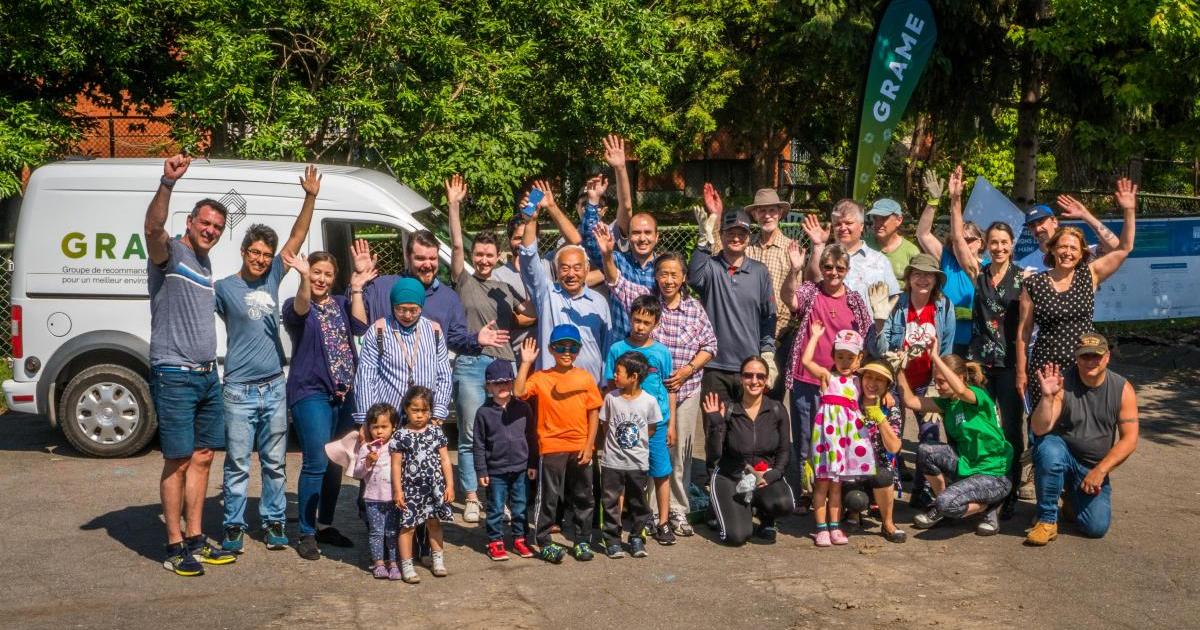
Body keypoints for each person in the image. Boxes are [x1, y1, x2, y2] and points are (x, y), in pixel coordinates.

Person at [144, 153, 238, 575]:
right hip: (175, 374)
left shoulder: (204, 261)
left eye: (217, 227)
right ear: (190, 222)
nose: (211, 230)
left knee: (203, 457)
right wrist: (167, 183)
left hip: (206, 375)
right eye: (205, 223)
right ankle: (173, 546)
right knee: (178, 460)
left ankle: (197, 540)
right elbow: (152, 229)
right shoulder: (171, 255)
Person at [216, 165, 318, 554]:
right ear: (244, 252)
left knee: (275, 463)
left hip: (274, 386)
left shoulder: (274, 276)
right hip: (238, 391)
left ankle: (274, 522)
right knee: (238, 463)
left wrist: (310, 196)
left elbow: (297, 237)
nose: (260, 259)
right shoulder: (224, 288)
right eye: (255, 252)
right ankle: (233, 525)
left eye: (266, 255)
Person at [598, 230, 717, 537]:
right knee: (643, 452)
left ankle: (677, 510)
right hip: (642, 397)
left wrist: (687, 370)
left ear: (684, 277)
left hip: (683, 391)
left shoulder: (694, 308)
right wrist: (608, 254)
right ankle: (649, 512)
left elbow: (710, 345)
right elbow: (616, 282)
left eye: (674, 274)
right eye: (663, 273)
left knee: (676, 454)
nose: (668, 280)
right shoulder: (647, 302)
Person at [1016, 179, 1138, 410]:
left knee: (1085, 421)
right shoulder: (1030, 276)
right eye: (1063, 247)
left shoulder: (1088, 273)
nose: (1067, 252)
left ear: (1082, 253)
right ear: (1053, 250)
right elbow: (1024, 330)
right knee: (1044, 423)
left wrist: (1128, 210)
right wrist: (1021, 372)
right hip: (1045, 363)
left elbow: (1123, 247)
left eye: (1073, 248)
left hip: (1084, 362)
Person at [282, 251, 371, 560]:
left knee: (337, 459)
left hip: (344, 395)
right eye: (316, 272)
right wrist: (304, 278)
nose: (321, 279)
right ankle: (306, 533)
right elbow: (301, 308)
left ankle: (324, 525)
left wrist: (356, 289)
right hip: (311, 393)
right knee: (316, 462)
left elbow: (360, 327)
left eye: (327, 274)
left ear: (334, 278)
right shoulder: (296, 306)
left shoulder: (341, 304)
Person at [782, 241, 884, 508]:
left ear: (847, 270)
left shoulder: (855, 300)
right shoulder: (811, 291)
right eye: (828, 267)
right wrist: (794, 270)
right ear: (821, 267)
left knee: (840, 439)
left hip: (843, 383)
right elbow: (789, 299)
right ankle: (806, 493)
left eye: (839, 268)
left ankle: (837, 495)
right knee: (806, 439)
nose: (833, 273)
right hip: (808, 378)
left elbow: (868, 339)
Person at [446, 173, 524, 524]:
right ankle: (472, 497)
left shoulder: (505, 287)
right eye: (479, 253)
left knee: (502, 435)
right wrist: (454, 206)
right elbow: (456, 246)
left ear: (497, 256)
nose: (483, 259)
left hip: (503, 364)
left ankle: (499, 498)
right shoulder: (463, 280)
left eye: (489, 254)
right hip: (470, 363)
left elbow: (531, 312)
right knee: (469, 434)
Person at [1026, 333, 1139, 545]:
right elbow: (1040, 429)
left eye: (1096, 356)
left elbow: (1130, 440)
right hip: (1063, 455)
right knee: (1048, 448)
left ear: (1107, 357)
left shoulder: (1123, 389)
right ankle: (1046, 519)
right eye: (1084, 356)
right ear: (1076, 358)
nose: (1090, 361)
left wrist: (1100, 471)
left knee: (1096, 527)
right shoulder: (1064, 382)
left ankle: (1071, 497)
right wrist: (1047, 397)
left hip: (1092, 466)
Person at [900, 352, 1013, 536]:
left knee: (946, 504)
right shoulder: (948, 403)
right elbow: (910, 401)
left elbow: (961, 391)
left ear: (959, 378)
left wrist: (935, 357)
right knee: (925, 451)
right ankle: (943, 507)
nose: (937, 386)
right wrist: (899, 370)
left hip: (994, 475)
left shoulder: (976, 395)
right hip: (967, 466)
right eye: (935, 381)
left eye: (942, 381)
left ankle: (989, 505)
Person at [515, 328, 603, 564]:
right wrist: (526, 363)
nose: (567, 352)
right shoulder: (541, 377)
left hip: (580, 447)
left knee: (584, 496)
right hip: (552, 446)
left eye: (572, 347)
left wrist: (589, 445)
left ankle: (582, 540)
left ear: (579, 350)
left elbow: (594, 412)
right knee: (549, 497)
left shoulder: (585, 378)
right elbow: (519, 391)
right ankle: (544, 542)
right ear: (551, 349)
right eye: (561, 347)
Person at [874, 252, 956, 505]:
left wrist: (937, 386)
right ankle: (887, 491)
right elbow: (880, 350)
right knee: (890, 436)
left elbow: (946, 351)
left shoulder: (944, 306)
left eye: (928, 275)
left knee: (929, 436)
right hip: (895, 381)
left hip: (926, 383)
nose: (923, 279)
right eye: (917, 274)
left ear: (936, 280)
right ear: (909, 278)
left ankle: (922, 490)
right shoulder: (896, 304)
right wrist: (879, 323)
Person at [706, 186, 797, 401]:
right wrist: (717, 217)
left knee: (771, 404)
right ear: (754, 214)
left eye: (772, 210)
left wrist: (773, 342)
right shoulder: (745, 244)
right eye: (762, 211)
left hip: (777, 339)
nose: (767, 216)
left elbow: (796, 297)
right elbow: (718, 254)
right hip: (745, 340)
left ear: (780, 213)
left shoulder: (791, 249)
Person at [603, 294, 677, 546]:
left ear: (656, 323)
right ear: (630, 318)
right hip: (624, 427)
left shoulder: (662, 352)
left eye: (646, 322)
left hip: (656, 425)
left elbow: (670, 389)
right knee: (622, 475)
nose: (640, 327)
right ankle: (618, 525)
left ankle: (663, 522)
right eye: (636, 320)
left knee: (661, 472)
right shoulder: (617, 349)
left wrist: (671, 424)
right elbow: (610, 387)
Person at [964, 216, 1025, 519]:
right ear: (986, 245)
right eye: (994, 242)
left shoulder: (1023, 278)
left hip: (1011, 362)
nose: (999, 247)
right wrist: (955, 200)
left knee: (1011, 428)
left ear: (1012, 245)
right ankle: (981, 486)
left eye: (1004, 242)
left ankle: (1010, 491)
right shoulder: (979, 274)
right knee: (982, 425)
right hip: (980, 363)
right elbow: (959, 244)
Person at [519, 182, 612, 381]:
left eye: (577, 268)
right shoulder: (547, 295)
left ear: (586, 269)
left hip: (590, 388)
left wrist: (606, 385)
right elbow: (528, 259)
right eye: (564, 268)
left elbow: (607, 348)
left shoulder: (600, 302)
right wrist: (531, 221)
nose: (571, 274)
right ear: (556, 270)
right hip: (552, 389)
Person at [690, 199, 777, 407]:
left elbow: (769, 317)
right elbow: (693, 278)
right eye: (730, 233)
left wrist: (767, 352)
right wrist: (703, 242)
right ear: (721, 235)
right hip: (714, 366)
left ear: (748, 238)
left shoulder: (760, 271)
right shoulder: (711, 267)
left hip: (749, 367)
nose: (736, 238)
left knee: (745, 425)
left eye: (741, 234)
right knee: (714, 424)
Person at [702, 355, 795, 546]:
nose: (754, 381)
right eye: (748, 375)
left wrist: (774, 474)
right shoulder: (728, 409)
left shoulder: (776, 409)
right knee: (736, 537)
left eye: (760, 376)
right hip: (731, 476)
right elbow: (714, 455)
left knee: (784, 504)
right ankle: (722, 508)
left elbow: (784, 451)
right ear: (740, 378)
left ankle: (765, 517)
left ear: (767, 379)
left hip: (762, 475)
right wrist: (716, 425)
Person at [800, 325, 874, 547]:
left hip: (845, 442)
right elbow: (806, 361)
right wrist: (815, 336)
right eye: (840, 356)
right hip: (826, 440)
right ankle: (821, 528)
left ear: (859, 358)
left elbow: (876, 387)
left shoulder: (859, 382)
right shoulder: (827, 377)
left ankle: (834, 526)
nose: (845, 361)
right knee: (822, 485)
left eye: (850, 357)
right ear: (832, 356)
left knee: (836, 487)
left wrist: (886, 395)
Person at [578, 135, 653, 345]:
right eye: (636, 233)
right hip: (621, 348)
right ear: (629, 234)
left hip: (654, 348)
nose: (642, 238)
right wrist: (593, 202)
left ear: (657, 236)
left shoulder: (663, 268)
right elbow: (592, 239)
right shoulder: (618, 262)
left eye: (648, 233)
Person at [353, 277, 453, 422]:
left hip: (423, 419)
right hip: (388, 420)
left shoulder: (434, 332)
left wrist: (438, 411)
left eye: (413, 310)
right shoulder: (379, 331)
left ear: (421, 307)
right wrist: (367, 419)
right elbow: (366, 377)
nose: (407, 315)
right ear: (392, 305)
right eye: (401, 309)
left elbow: (444, 375)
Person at [915, 167, 988, 355]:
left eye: (968, 240)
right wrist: (933, 201)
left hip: (977, 340)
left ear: (980, 243)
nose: (963, 244)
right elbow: (923, 234)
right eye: (958, 239)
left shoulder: (988, 267)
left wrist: (971, 313)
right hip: (944, 337)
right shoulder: (947, 259)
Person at [598, 352, 662, 559]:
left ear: (634, 377)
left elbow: (650, 429)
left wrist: (635, 445)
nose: (614, 376)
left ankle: (636, 537)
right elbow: (605, 425)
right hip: (612, 462)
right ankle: (612, 540)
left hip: (638, 463)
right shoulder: (611, 398)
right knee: (609, 502)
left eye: (619, 372)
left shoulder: (649, 401)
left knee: (638, 502)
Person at [472, 361, 537, 561]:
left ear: (513, 383)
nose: (502, 386)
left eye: (507, 382)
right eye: (496, 383)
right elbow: (478, 444)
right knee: (496, 507)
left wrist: (532, 463)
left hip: (521, 468)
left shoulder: (523, 408)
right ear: (488, 387)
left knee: (520, 506)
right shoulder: (483, 413)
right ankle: (495, 541)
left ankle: (520, 539)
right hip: (495, 471)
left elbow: (531, 437)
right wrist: (481, 470)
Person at [391, 386, 455, 583]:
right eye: (415, 410)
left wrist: (450, 485)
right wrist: (398, 490)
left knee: (434, 523)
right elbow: (396, 465)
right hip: (411, 490)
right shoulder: (400, 435)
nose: (419, 415)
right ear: (406, 409)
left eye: (424, 410)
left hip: (434, 489)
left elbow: (445, 460)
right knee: (407, 527)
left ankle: (438, 560)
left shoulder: (436, 432)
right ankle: (407, 565)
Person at [803, 198, 901, 319]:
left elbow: (894, 298)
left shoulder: (880, 261)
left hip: (870, 329)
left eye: (848, 223)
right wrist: (818, 246)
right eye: (838, 224)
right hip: (830, 327)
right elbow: (811, 284)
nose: (843, 228)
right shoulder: (824, 257)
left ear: (861, 226)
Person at [844, 360, 906, 543]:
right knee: (856, 500)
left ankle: (888, 523)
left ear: (887, 385)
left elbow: (894, 447)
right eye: (868, 376)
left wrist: (880, 417)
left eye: (879, 379)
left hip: (878, 470)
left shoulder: (891, 408)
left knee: (883, 475)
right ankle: (853, 512)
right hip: (852, 471)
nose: (872, 383)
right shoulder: (849, 401)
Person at [353, 403, 402, 580]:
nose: (379, 431)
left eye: (384, 426)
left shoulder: (397, 446)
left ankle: (394, 563)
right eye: (375, 427)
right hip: (373, 498)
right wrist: (367, 462)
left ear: (393, 427)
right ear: (368, 428)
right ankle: (378, 563)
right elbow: (357, 473)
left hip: (394, 498)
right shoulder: (366, 448)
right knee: (376, 532)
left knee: (392, 532)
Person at [1016, 192, 1121, 273]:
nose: (1037, 229)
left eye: (1041, 222)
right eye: (1032, 226)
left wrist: (1085, 216)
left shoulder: (1079, 254)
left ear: (1054, 221)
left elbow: (1116, 247)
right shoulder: (1024, 264)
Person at [866, 197, 921, 287]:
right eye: (875, 218)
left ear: (899, 220)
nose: (878, 223)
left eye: (883, 218)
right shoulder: (864, 245)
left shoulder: (911, 251)